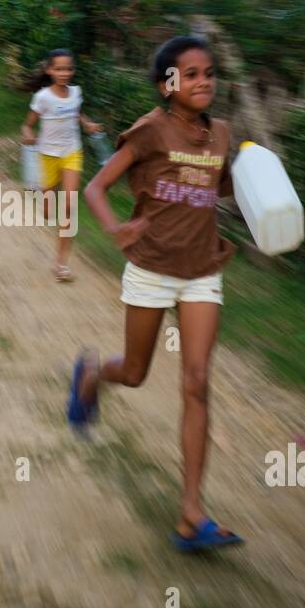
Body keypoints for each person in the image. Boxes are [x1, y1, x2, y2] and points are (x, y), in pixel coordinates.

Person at [69, 36, 243, 552]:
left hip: (201, 271)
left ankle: (192, 513)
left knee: (196, 381)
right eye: (190, 74)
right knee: (137, 373)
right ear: (168, 84)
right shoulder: (149, 130)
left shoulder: (223, 135)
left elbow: (224, 186)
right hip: (150, 270)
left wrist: (256, 177)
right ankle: (94, 376)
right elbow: (95, 187)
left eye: (209, 72)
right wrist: (116, 229)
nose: (203, 81)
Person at [20, 49, 104, 282]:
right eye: (59, 68)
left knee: (68, 207)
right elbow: (27, 125)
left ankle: (61, 264)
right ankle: (43, 199)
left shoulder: (76, 92)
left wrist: (87, 125)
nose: (64, 73)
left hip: (71, 153)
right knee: (48, 210)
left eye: (68, 68)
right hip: (47, 156)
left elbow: (76, 113)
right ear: (49, 70)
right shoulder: (43, 97)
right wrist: (27, 135)